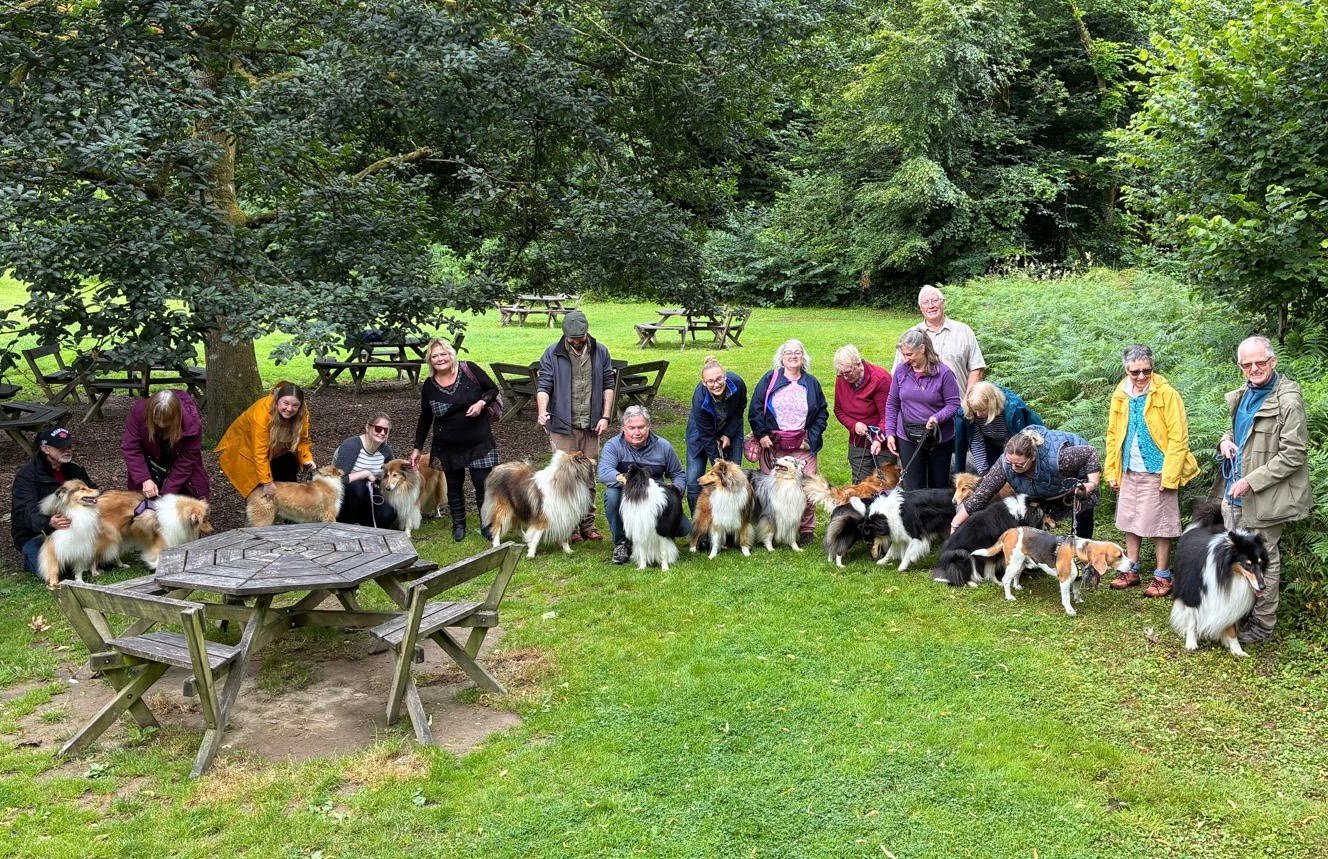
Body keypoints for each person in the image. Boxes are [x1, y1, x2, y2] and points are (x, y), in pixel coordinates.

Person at [1215, 335, 1311, 643]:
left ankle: (1262, 625)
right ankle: (1239, 614)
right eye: (1247, 365)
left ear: (1273, 361)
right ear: (1240, 366)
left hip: (1264, 498)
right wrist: (1225, 441)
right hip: (1233, 493)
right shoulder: (1245, 394)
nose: (1254, 369)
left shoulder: (1287, 400)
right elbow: (1237, 431)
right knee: (1236, 556)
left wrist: (1251, 480)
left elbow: (1294, 454)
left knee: (1263, 560)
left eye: (1260, 362)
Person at [1103, 345, 1200, 597]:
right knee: (1129, 520)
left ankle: (1162, 577)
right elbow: (1113, 435)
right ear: (1126, 370)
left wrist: (1170, 476)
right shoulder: (1121, 394)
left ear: (1152, 368)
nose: (1141, 376)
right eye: (1135, 372)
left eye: (1146, 370)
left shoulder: (1167, 394)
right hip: (1128, 468)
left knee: (1161, 525)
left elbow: (1179, 438)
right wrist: (1112, 471)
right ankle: (1130, 569)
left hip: (1159, 470)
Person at [536, 310, 616, 542]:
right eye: (572, 339)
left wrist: (605, 416)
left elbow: (608, 384)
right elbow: (544, 385)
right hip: (563, 426)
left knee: (588, 476)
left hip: (591, 424)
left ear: (586, 333)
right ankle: (569, 526)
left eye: (580, 338)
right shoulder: (552, 353)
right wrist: (542, 411)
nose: (576, 342)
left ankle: (588, 524)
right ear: (565, 335)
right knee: (564, 479)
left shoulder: (601, 351)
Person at [409, 339, 499, 541]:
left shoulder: (469, 370)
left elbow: (493, 389)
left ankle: (487, 523)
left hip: (478, 441)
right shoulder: (429, 386)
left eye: (443, 354)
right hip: (447, 445)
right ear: (430, 361)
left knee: (482, 484)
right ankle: (459, 525)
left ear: (451, 355)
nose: (440, 359)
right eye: (435, 356)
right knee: (454, 486)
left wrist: (481, 403)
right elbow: (425, 418)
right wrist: (417, 448)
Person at [950, 427, 1101, 539]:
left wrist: (1091, 484)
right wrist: (955, 523)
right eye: (1010, 462)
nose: (1013, 467)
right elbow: (982, 495)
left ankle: (1083, 555)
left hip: (1076, 475)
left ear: (1032, 457)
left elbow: (1090, 453)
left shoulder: (1059, 459)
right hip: (1042, 485)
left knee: (1081, 512)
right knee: (1035, 513)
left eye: (1019, 464)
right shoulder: (1005, 465)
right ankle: (1038, 555)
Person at [749, 339, 829, 544]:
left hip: (803, 445)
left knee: (807, 487)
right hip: (774, 445)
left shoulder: (811, 383)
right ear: (782, 358)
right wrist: (762, 435)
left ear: (803, 357)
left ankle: (806, 529)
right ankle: (771, 529)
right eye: (789, 353)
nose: (793, 356)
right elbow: (755, 409)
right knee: (772, 489)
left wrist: (811, 438)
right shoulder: (770, 379)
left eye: (797, 352)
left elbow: (822, 413)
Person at [599, 406, 689, 564]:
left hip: (655, 498)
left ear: (649, 426)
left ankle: (657, 539)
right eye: (631, 428)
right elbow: (604, 472)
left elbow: (678, 474)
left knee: (683, 528)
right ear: (623, 428)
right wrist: (624, 479)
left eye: (641, 427)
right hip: (628, 495)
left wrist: (676, 490)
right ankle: (622, 543)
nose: (637, 432)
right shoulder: (613, 445)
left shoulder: (663, 446)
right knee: (611, 495)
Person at [880, 329, 962, 491]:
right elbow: (892, 403)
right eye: (904, 355)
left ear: (922, 349)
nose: (906, 359)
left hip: (938, 437)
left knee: (938, 486)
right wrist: (890, 432)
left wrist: (937, 417)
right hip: (907, 435)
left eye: (909, 354)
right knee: (913, 486)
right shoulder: (901, 371)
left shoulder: (944, 373)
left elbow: (954, 404)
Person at [11, 427, 96, 576]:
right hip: (38, 533)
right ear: (45, 449)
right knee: (54, 572)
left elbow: (92, 491)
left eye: (69, 446)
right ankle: (31, 557)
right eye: (61, 447)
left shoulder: (75, 470)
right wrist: (48, 522)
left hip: (75, 530)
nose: (67, 450)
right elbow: (24, 511)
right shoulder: (27, 476)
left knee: (104, 561)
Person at [216, 382, 315, 501]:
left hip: (280, 451)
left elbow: (303, 440)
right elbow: (259, 452)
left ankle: (286, 510)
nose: (289, 409)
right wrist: (267, 483)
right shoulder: (261, 414)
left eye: (295, 405)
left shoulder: (302, 412)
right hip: (249, 453)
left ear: (300, 405)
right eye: (285, 403)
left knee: (288, 487)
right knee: (261, 497)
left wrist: (306, 458)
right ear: (277, 400)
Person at [684, 356, 748, 514]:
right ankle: (699, 524)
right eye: (710, 381)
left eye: (719, 379)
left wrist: (728, 434)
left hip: (731, 428)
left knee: (732, 478)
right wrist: (718, 463)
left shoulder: (737, 383)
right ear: (704, 383)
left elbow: (740, 408)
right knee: (693, 482)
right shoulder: (699, 399)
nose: (716, 384)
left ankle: (730, 521)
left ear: (725, 376)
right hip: (701, 434)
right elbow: (706, 437)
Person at [895, 285, 986, 394]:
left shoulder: (963, 331)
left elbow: (977, 368)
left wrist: (968, 400)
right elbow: (898, 373)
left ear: (943, 303)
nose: (930, 306)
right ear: (920, 308)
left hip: (959, 402)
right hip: (921, 403)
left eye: (935, 301)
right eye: (925, 302)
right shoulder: (911, 335)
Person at [120, 390, 210, 500]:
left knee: (187, 503)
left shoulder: (191, 424)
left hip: (178, 465)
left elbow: (188, 458)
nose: (161, 424)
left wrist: (168, 491)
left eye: (167, 421)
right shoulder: (139, 411)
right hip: (150, 461)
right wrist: (144, 479)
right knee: (142, 501)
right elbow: (131, 448)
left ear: (177, 417)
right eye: (157, 419)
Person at [953, 381, 1043, 475]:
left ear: (992, 404)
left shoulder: (1013, 409)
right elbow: (977, 442)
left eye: (982, 410)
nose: (978, 414)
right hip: (990, 444)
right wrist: (983, 472)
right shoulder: (971, 412)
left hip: (1012, 442)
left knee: (1014, 472)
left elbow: (1020, 442)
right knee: (993, 474)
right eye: (975, 410)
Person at [832, 344, 892, 482]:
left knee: (885, 484)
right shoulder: (842, 378)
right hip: (858, 443)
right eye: (841, 373)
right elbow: (839, 410)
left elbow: (888, 415)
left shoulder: (880, 379)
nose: (844, 377)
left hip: (884, 444)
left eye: (848, 372)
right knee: (861, 486)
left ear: (859, 364)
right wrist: (854, 425)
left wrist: (878, 439)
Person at [333, 412, 398, 529]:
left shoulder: (386, 451)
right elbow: (336, 480)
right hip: (344, 497)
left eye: (386, 430)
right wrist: (365, 473)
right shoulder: (351, 445)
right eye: (378, 429)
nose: (382, 433)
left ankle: (368, 528)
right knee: (357, 487)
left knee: (389, 513)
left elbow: (389, 477)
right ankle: (347, 524)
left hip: (372, 494)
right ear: (368, 427)